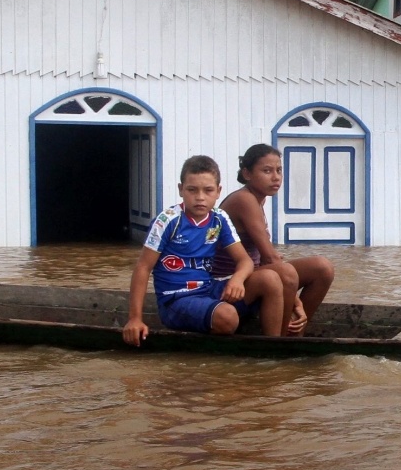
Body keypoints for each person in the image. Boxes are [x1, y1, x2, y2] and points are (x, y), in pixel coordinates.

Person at [123, 155, 284, 345]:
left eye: (208, 190)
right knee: (228, 317)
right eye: (192, 190)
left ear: (218, 192)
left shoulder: (219, 218)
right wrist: (135, 318)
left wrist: (237, 280)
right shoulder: (167, 220)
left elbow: (245, 261)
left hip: (208, 290)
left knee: (270, 279)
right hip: (176, 300)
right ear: (181, 190)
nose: (200, 197)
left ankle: (274, 347)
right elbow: (143, 267)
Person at [217, 144, 337, 335]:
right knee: (285, 271)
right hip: (230, 282)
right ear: (247, 174)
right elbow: (270, 258)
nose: (276, 177)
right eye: (267, 171)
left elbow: (266, 259)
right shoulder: (244, 199)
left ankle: (296, 331)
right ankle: (282, 335)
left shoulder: (259, 199)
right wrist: (297, 303)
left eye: (279, 170)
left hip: (253, 274)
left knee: (322, 267)